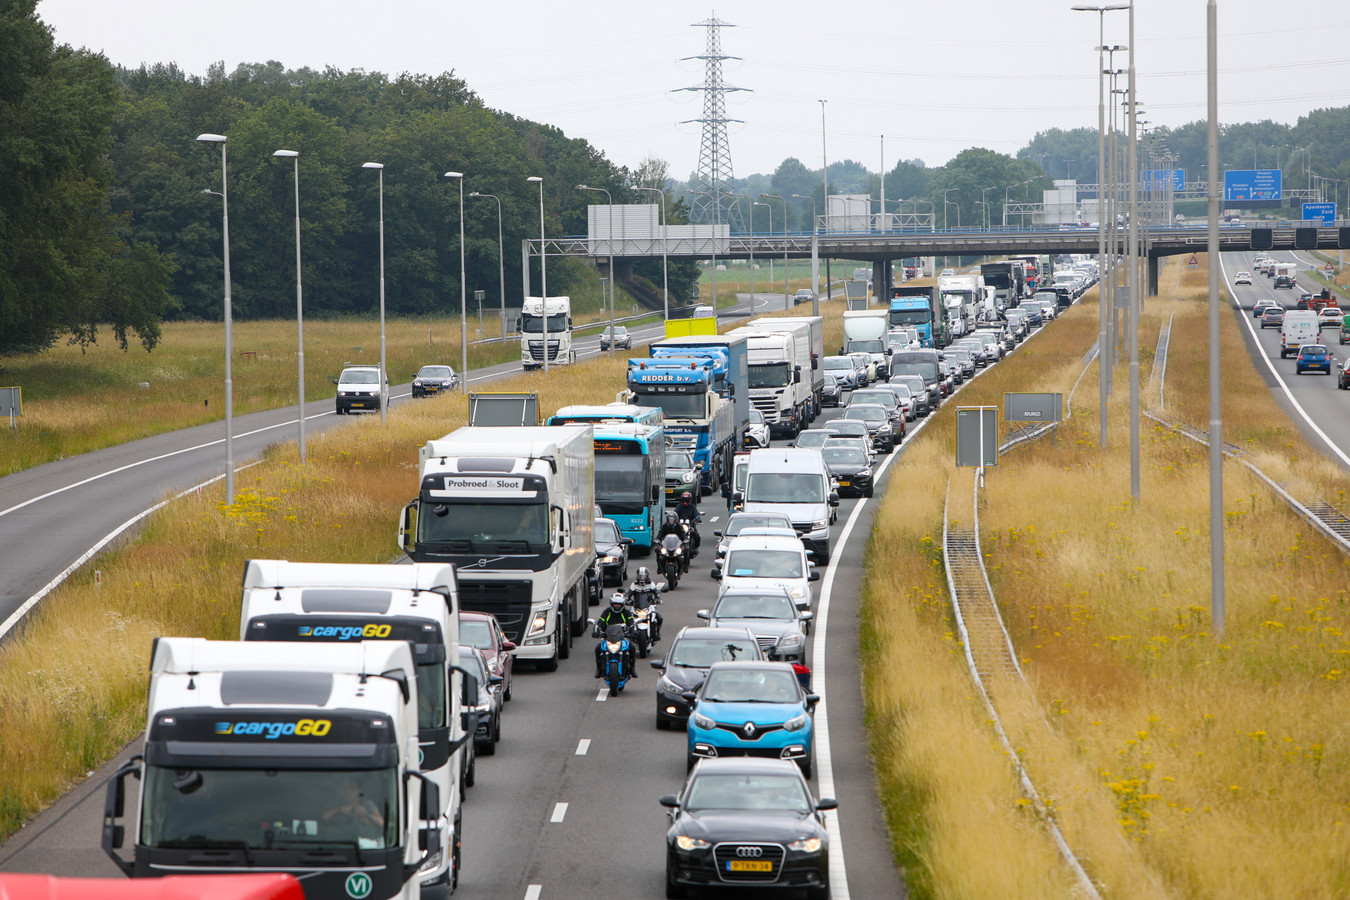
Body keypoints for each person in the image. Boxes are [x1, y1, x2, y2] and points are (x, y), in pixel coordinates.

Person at [594, 593, 637, 679]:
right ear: (611, 604)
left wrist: (633, 632)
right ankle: (598, 669)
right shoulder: (607, 612)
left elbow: (631, 623)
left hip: (622, 637)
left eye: (619, 604)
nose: (617, 606)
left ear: (622, 605)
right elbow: (600, 622)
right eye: (615, 604)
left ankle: (632, 668)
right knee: (598, 648)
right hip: (608, 638)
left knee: (632, 648)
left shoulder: (626, 613)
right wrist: (596, 631)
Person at [628, 567, 663, 642]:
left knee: (659, 617)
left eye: (643, 576)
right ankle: (629, 634)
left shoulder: (651, 584)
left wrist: (658, 599)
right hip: (636, 606)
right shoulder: (634, 585)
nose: (641, 578)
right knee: (628, 618)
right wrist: (626, 600)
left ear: (647, 576)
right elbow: (628, 594)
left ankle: (656, 633)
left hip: (649, 606)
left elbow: (657, 593)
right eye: (640, 576)